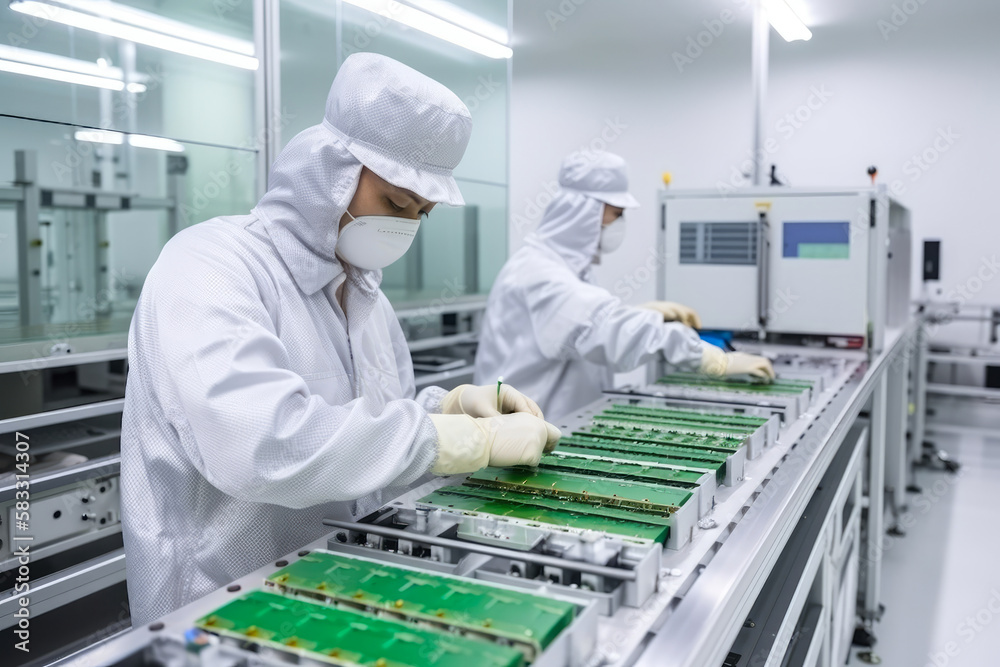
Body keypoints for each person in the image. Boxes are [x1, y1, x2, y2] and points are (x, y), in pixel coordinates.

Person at [120, 53, 560, 626]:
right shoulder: (209, 266)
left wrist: (448, 408)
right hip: (214, 605)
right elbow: (262, 444)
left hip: (335, 589)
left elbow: (372, 431)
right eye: (396, 203)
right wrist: (452, 440)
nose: (404, 227)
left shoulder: (367, 299)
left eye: (420, 214)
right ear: (329, 170)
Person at [474, 151, 774, 421]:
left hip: (554, 426)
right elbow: (607, 330)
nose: (619, 223)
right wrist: (711, 358)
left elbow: (584, 327)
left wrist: (641, 312)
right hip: (518, 436)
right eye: (616, 214)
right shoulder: (540, 272)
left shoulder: (566, 269)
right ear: (585, 211)